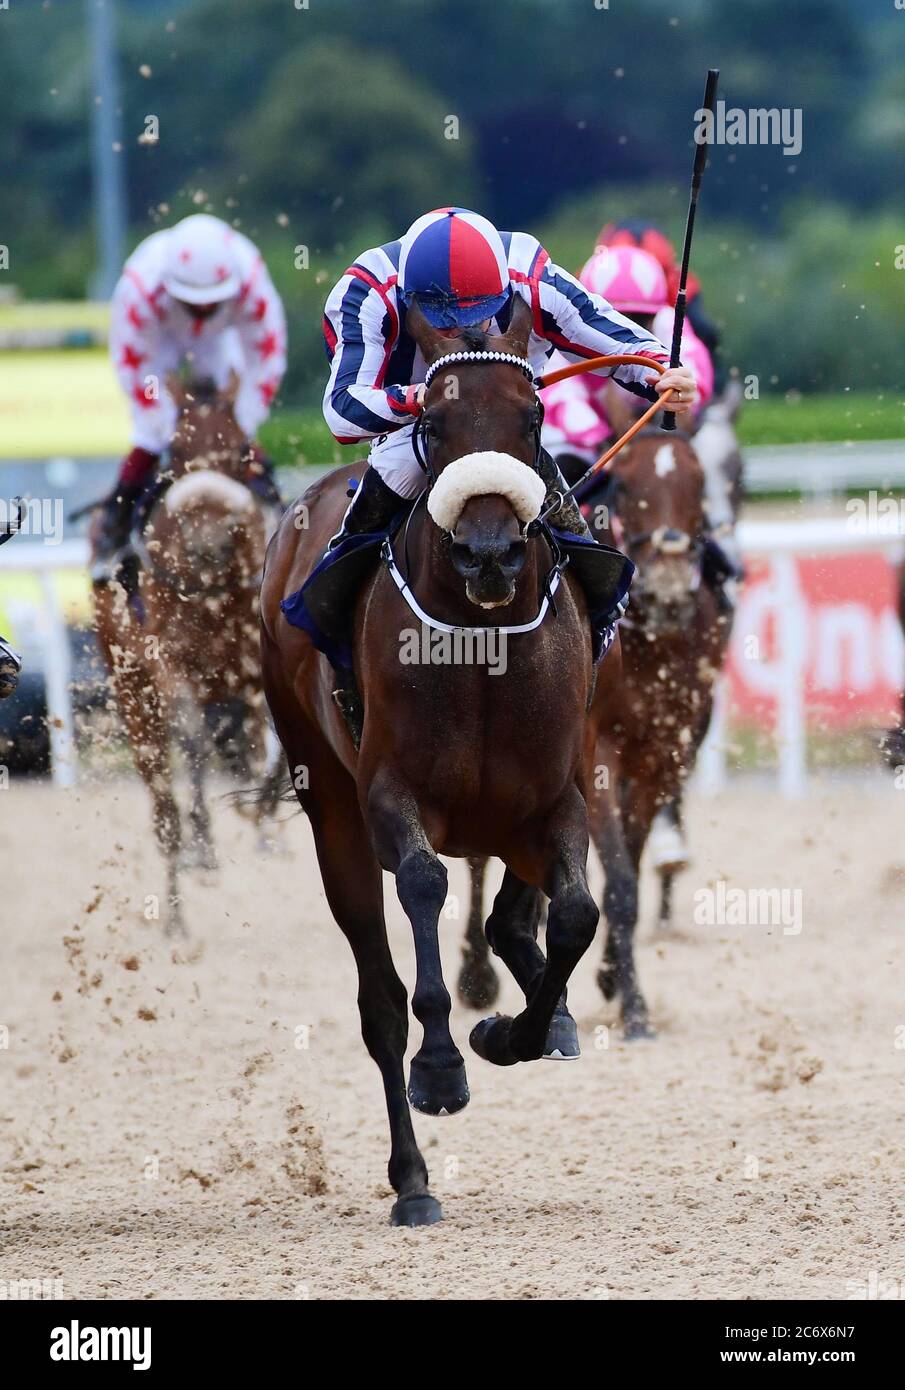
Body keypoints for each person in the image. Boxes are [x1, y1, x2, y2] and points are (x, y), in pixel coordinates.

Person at [319, 205, 696, 586]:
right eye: (443, 323)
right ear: (408, 298)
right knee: (400, 469)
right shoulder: (365, 294)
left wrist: (662, 371)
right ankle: (335, 587)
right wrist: (424, 398)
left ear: (503, 290)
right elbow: (343, 410)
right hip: (419, 425)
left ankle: (601, 620)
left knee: (583, 551)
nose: (462, 330)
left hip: (510, 423)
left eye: (476, 315)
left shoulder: (533, 279)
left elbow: (607, 334)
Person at [95, 213, 287, 578]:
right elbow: (137, 372)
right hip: (158, 343)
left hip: (220, 341)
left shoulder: (251, 280)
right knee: (150, 436)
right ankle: (113, 533)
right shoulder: (139, 287)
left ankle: (276, 518)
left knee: (233, 432)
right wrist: (168, 424)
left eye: (210, 303)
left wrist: (241, 422)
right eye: (192, 303)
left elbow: (265, 359)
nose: (201, 310)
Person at [597, 219, 724, 391]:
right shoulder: (597, 275)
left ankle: (717, 388)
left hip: (668, 301)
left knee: (704, 330)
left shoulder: (674, 286)